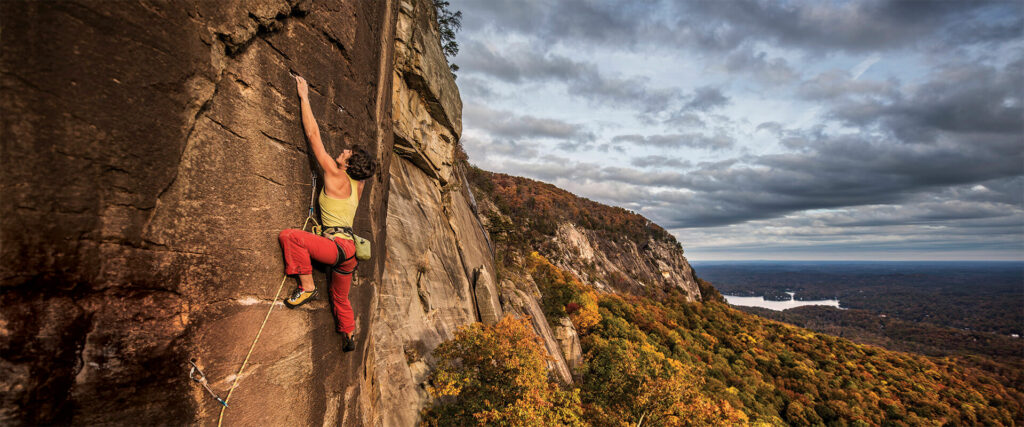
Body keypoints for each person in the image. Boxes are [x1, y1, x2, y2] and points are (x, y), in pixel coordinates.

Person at [278, 75, 377, 352]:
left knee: (291, 237)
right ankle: (348, 333)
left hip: (335, 247)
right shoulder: (359, 185)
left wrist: (304, 97)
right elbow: (367, 169)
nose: (344, 150)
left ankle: (307, 287)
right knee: (340, 297)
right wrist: (360, 161)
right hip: (349, 253)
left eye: (348, 153)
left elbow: (313, 136)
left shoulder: (335, 174)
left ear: (347, 164)